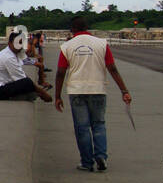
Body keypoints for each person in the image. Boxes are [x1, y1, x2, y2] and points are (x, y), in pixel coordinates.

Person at [54, 16, 131, 171]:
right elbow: (112, 68)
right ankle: (101, 156)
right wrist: (124, 91)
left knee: (82, 127)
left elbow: (61, 73)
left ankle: (87, 162)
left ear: (72, 29)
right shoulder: (102, 44)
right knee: (99, 124)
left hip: (76, 91)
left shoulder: (67, 47)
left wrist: (57, 96)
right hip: (98, 90)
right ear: (87, 27)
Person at [0, 31, 52, 101]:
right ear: (10, 43)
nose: (19, 46)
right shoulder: (8, 57)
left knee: (27, 82)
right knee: (27, 82)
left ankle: (26, 95)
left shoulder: (14, 53)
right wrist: (43, 93)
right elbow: (22, 79)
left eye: (21, 43)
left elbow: (21, 74)